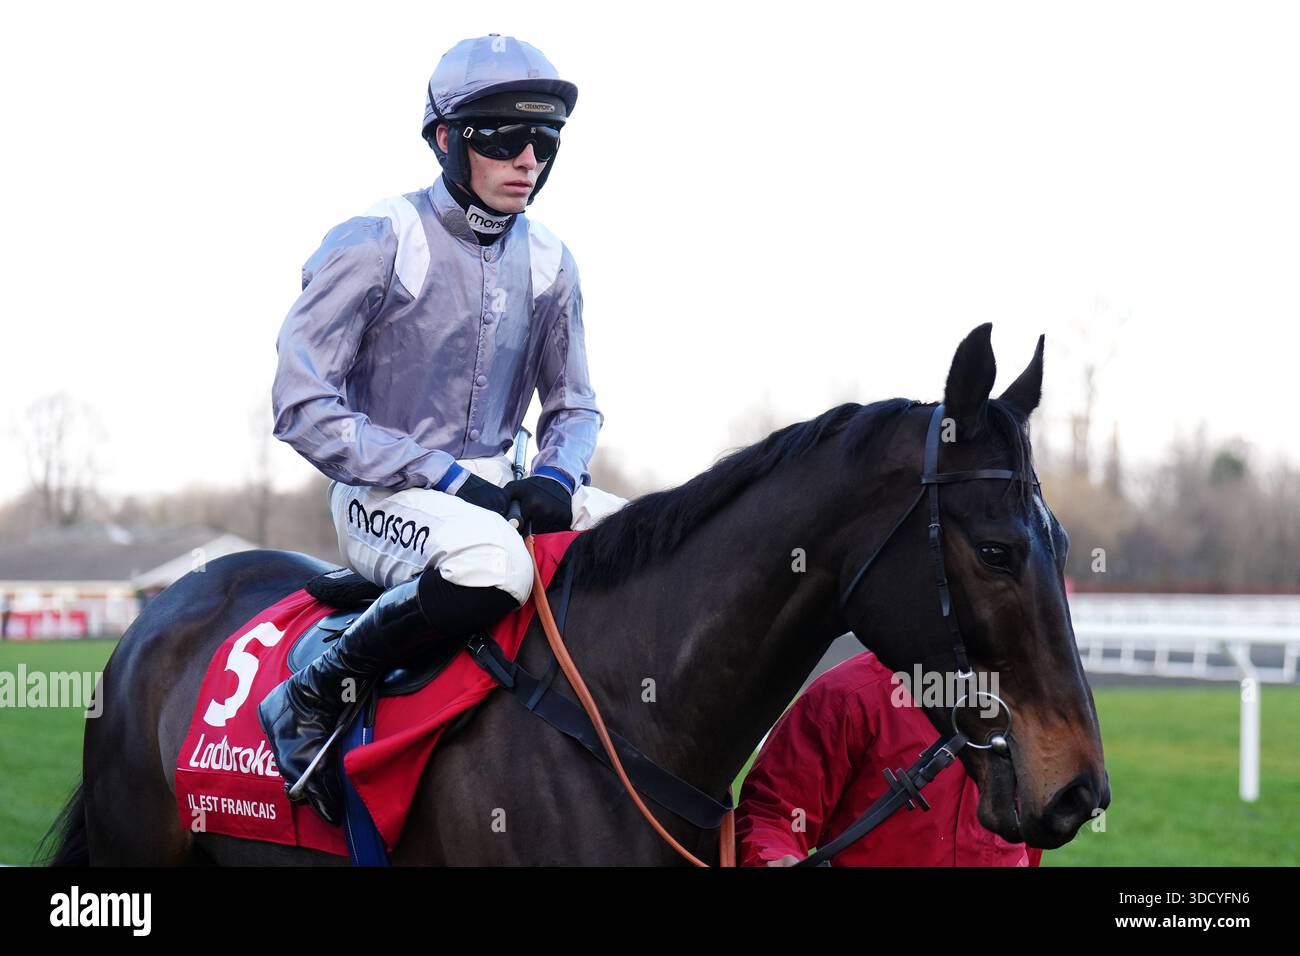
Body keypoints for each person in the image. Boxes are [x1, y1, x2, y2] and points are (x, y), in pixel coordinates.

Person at [258, 34, 627, 825]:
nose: (528, 157)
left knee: (644, 536)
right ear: (445, 141)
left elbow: (575, 405)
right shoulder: (376, 240)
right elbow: (299, 401)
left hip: (496, 488)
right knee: (494, 563)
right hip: (379, 491)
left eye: (546, 140)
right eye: (503, 138)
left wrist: (559, 476)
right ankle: (312, 692)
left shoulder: (555, 262)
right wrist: (445, 477)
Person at [736, 651, 1044, 866]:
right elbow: (772, 815)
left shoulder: (1034, 707)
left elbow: (1031, 837)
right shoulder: (849, 695)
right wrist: (774, 860)